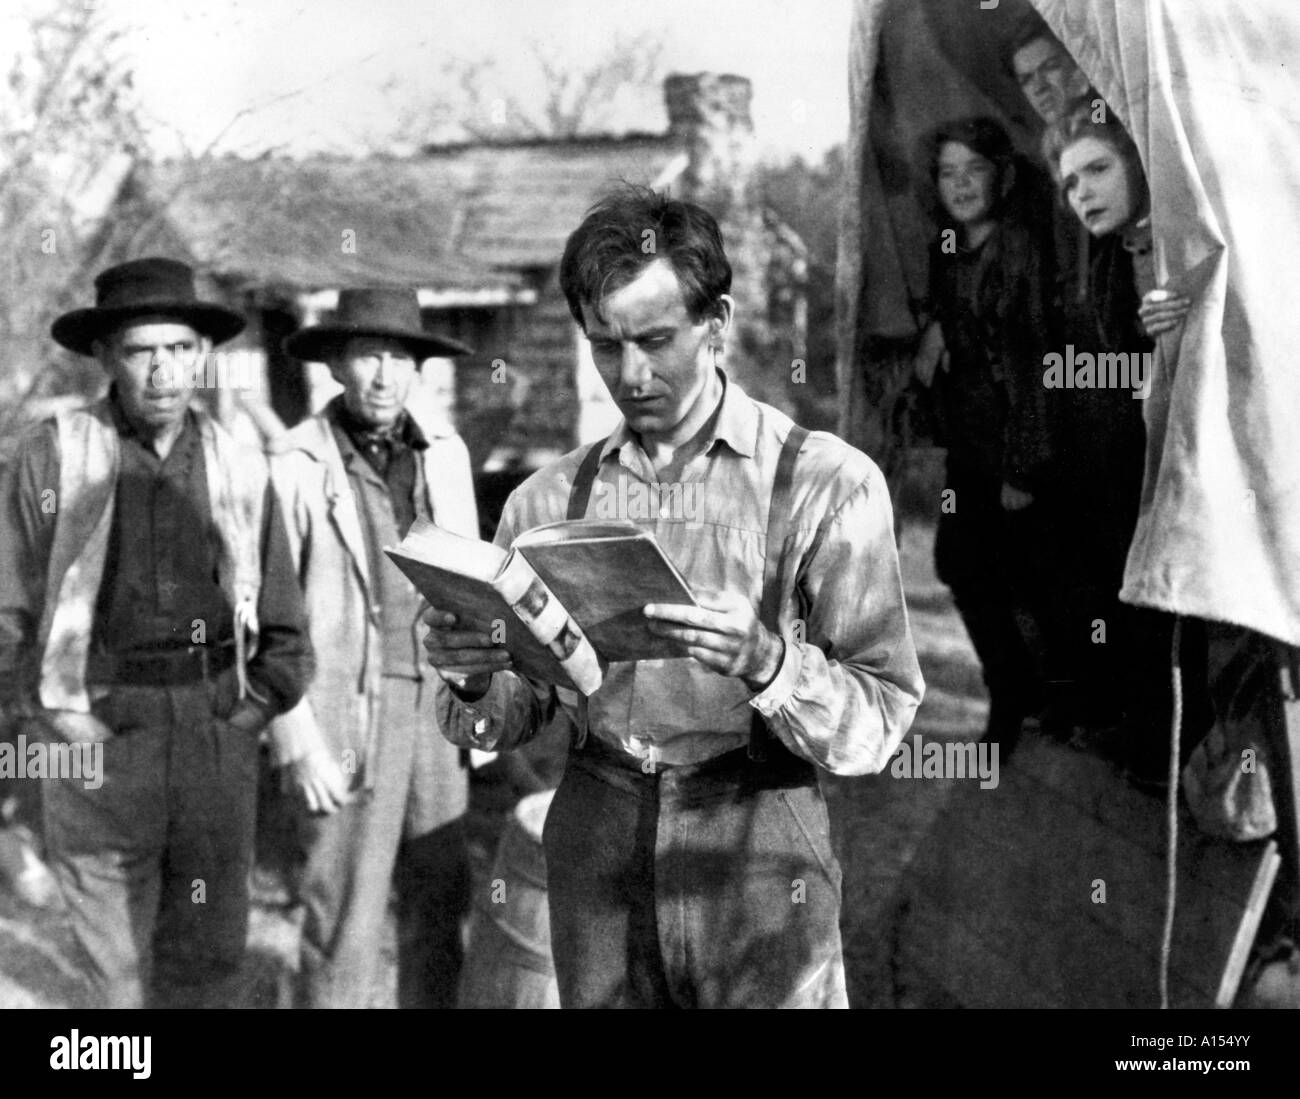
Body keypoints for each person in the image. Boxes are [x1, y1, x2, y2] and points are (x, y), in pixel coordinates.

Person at [421, 185, 923, 1009]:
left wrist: (768, 662)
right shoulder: (545, 500)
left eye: (656, 339)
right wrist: (476, 678)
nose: (632, 373)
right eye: (605, 345)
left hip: (756, 834)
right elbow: (517, 713)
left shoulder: (825, 483)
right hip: (599, 831)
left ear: (717, 323)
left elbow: (881, 721)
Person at [0, 257, 313, 1007]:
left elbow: (284, 631)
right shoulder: (54, 452)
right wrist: (47, 721)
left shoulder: (240, 463)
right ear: (107, 357)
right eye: (142, 351)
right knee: (115, 979)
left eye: (179, 348)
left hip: (212, 731)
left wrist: (242, 722)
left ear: (203, 355)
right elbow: (8, 613)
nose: (164, 370)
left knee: (207, 960)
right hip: (94, 732)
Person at [268, 288, 479, 1008]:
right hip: (344, 713)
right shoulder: (295, 463)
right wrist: (294, 736)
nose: (385, 374)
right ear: (335, 364)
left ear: (418, 367)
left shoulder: (445, 456)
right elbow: (260, 616)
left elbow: (477, 587)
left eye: (400, 355)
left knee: (439, 902)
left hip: (438, 710)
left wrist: (485, 703)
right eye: (367, 354)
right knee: (344, 920)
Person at [1044, 99, 1195, 782]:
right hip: (1144, 453)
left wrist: (1187, 311)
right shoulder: (1109, 260)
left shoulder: (1187, 235)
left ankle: (1188, 759)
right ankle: (1149, 750)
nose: (1084, 193)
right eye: (1072, 184)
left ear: (1135, 163)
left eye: (1098, 169)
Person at [912, 116, 1053, 754]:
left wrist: (1022, 469)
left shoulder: (1018, 248)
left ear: (1002, 175)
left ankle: (1027, 703)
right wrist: (940, 326)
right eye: (949, 172)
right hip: (972, 444)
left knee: (1019, 577)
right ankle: (1016, 695)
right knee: (965, 565)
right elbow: (958, 310)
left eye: (974, 170)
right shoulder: (951, 245)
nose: (961, 185)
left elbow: (1030, 362)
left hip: (1012, 447)